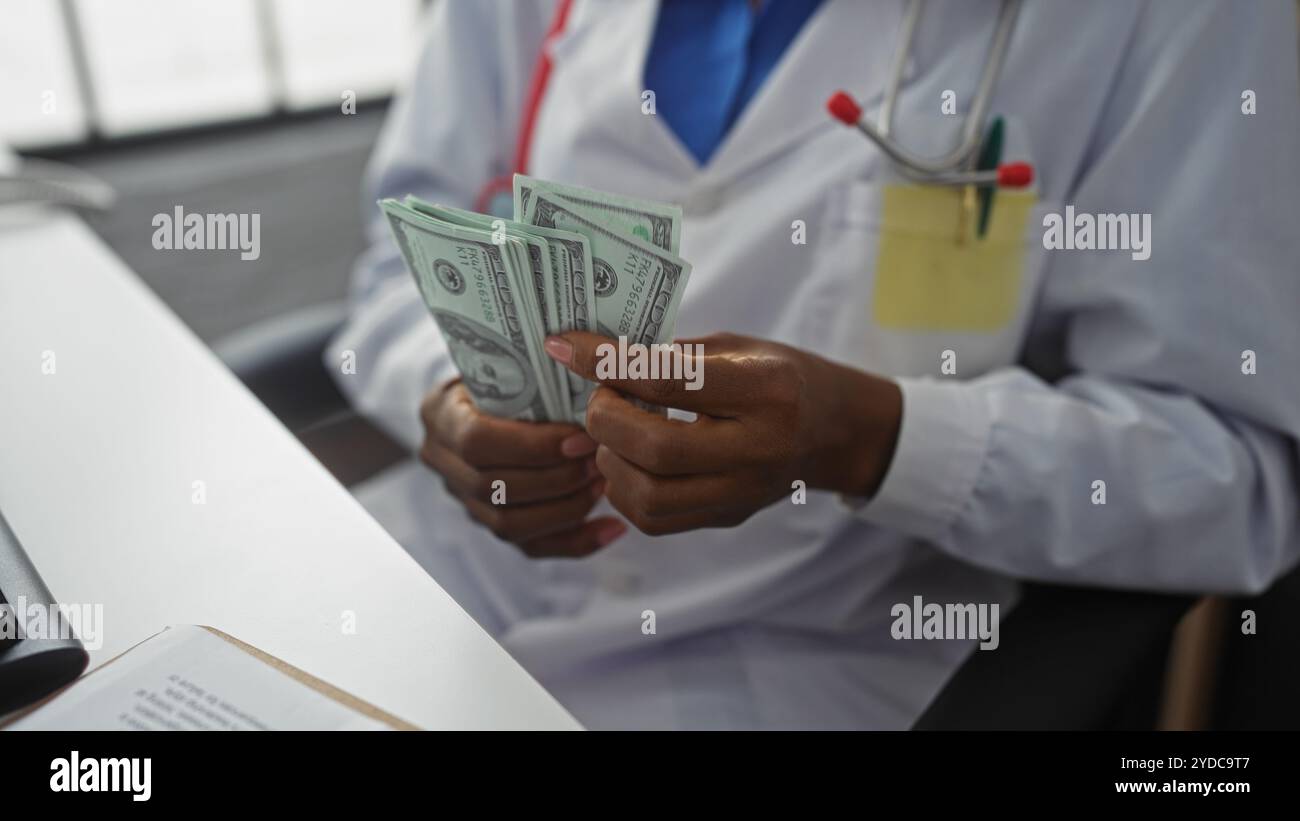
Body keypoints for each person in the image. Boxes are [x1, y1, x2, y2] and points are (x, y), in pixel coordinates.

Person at [327, 0, 1300, 729]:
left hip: (801, 651)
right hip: (442, 575)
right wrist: (448, 397)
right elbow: (396, 256)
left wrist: (872, 437)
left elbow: (1235, 474)